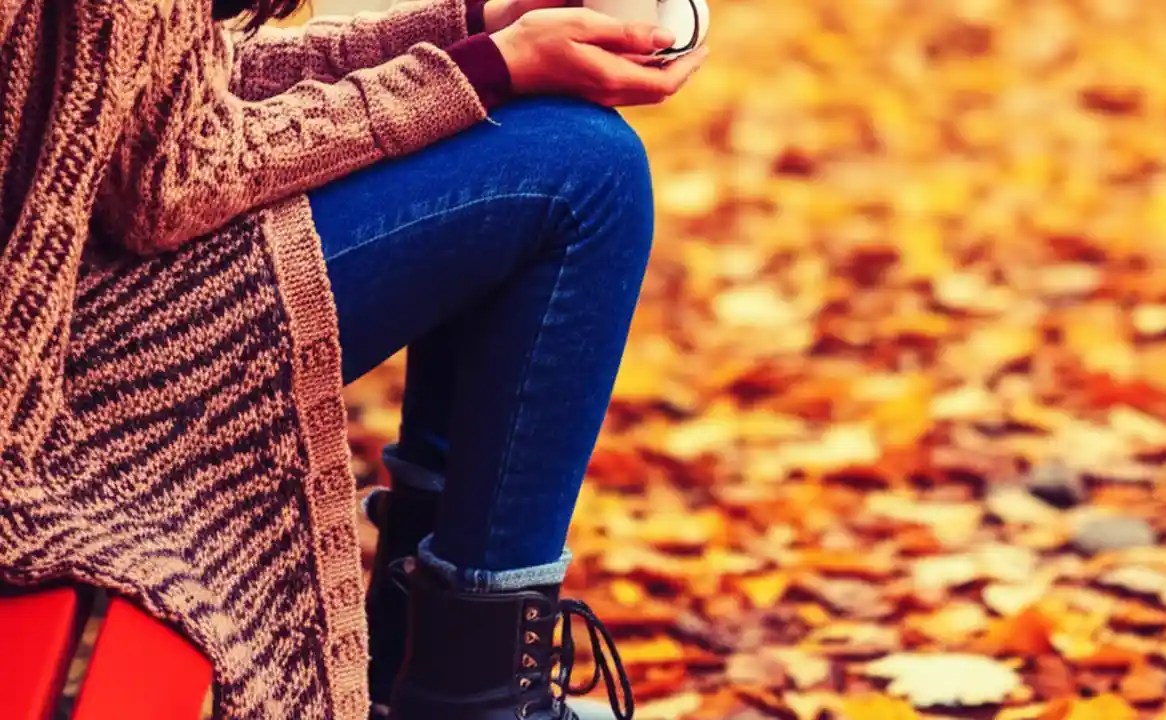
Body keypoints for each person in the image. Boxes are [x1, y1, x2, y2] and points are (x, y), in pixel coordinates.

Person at [0, 0, 704, 717]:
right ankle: (470, 697)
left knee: (553, 139)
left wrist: (475, 28)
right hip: (41, 359)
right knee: (586, 174)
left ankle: (430, 671)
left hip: (59, 298)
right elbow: (168, 181)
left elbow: (163, 86)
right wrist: (485, 68)